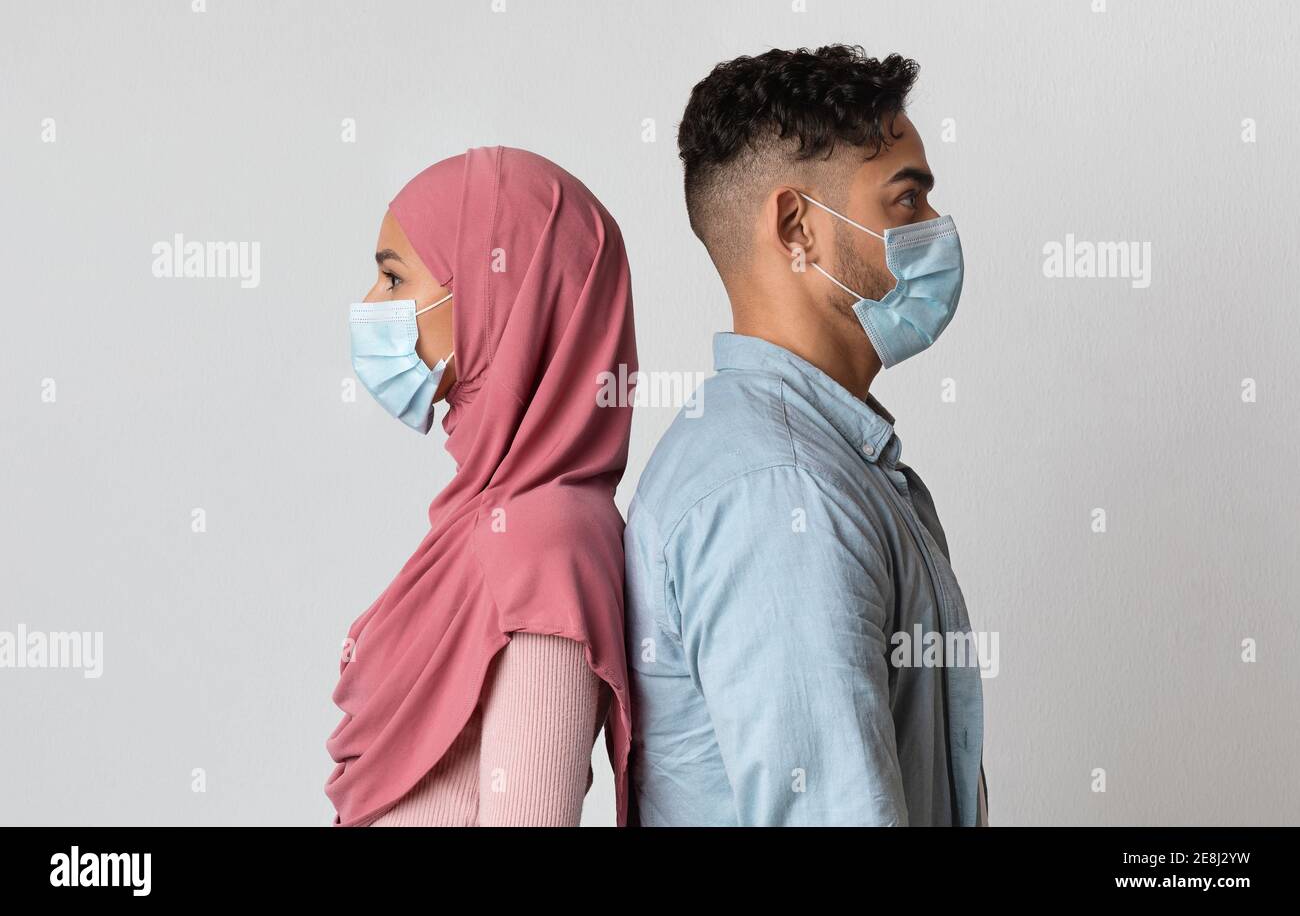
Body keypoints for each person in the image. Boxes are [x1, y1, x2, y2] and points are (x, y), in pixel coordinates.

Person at [623, 45, 988, 825]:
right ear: (798, 226)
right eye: (906, 200)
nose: (936, 228)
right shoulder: (780, 492)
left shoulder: (818, 461)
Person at [326, 145, 638, 827]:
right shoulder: (494, 515)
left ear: (495, 297)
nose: (370, 303)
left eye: (392, 278)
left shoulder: (544, 538)